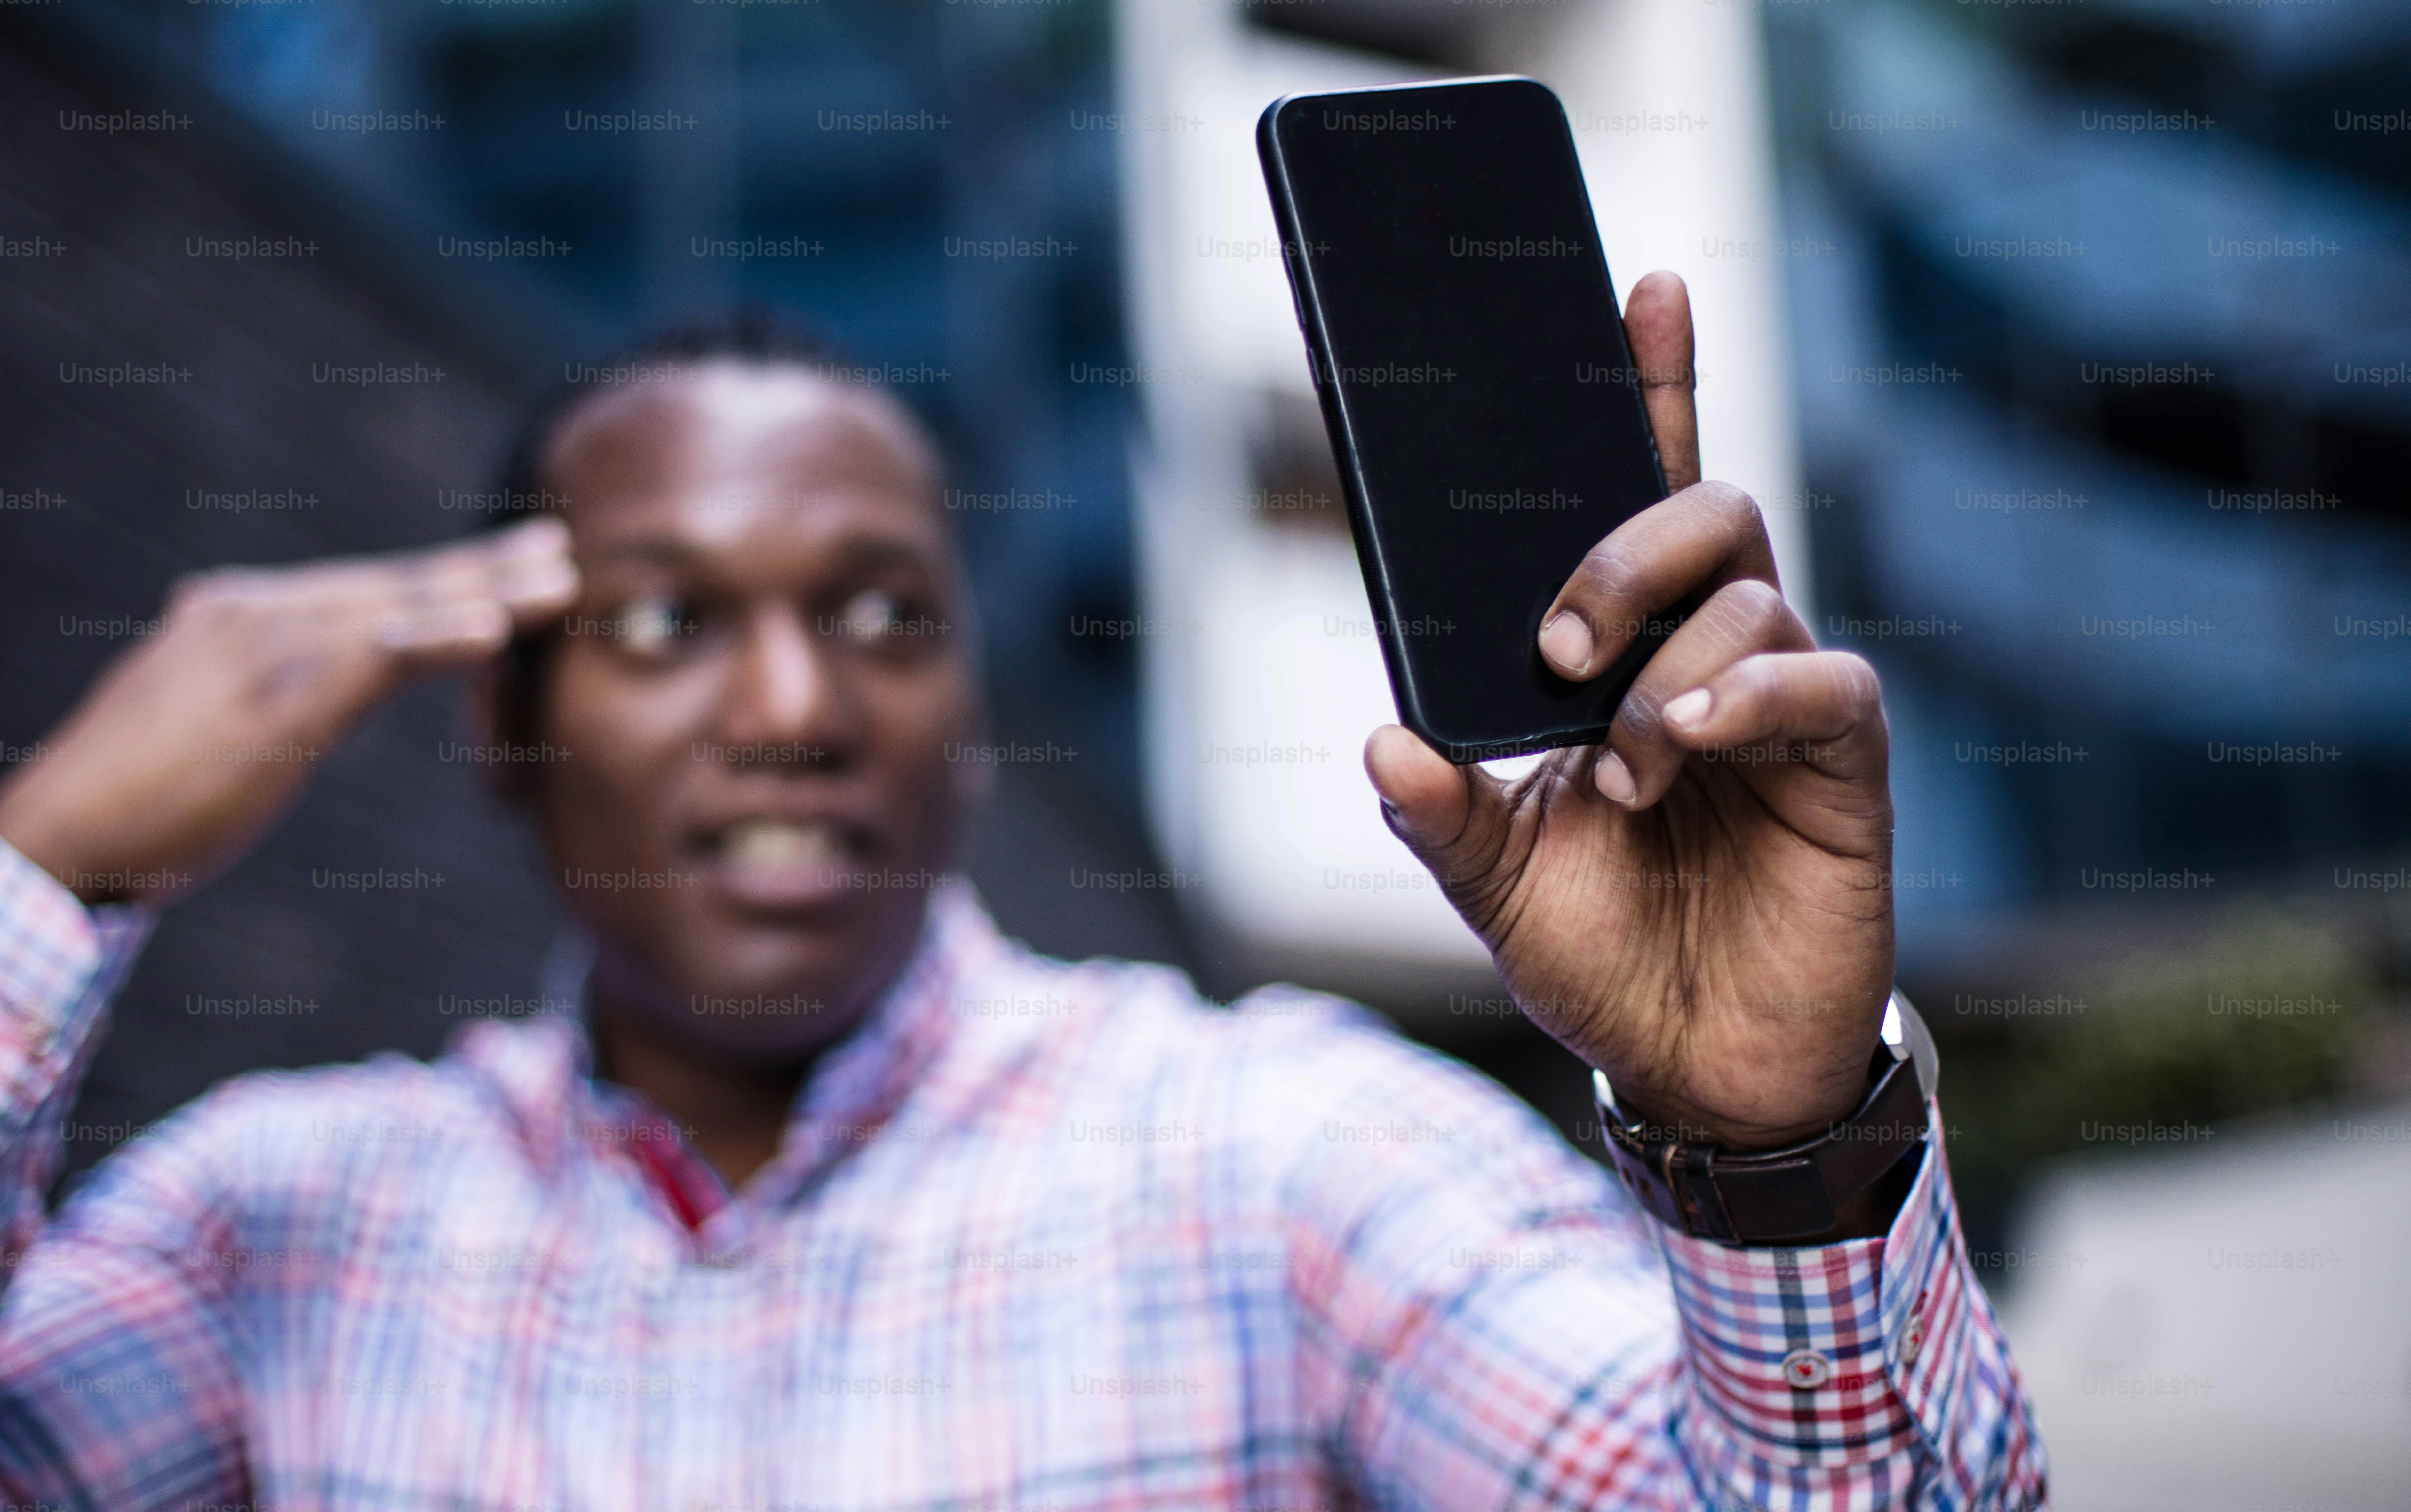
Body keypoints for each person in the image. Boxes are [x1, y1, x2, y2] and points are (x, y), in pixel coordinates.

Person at [0, 275, 2044, 1509]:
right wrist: (39, 873)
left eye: (884, 612)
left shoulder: (1272, 1157)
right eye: (661, 625)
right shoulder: (260, 1231)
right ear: (509, 730)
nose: (794, 705)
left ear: (964, 711)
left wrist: (1774, 1148)